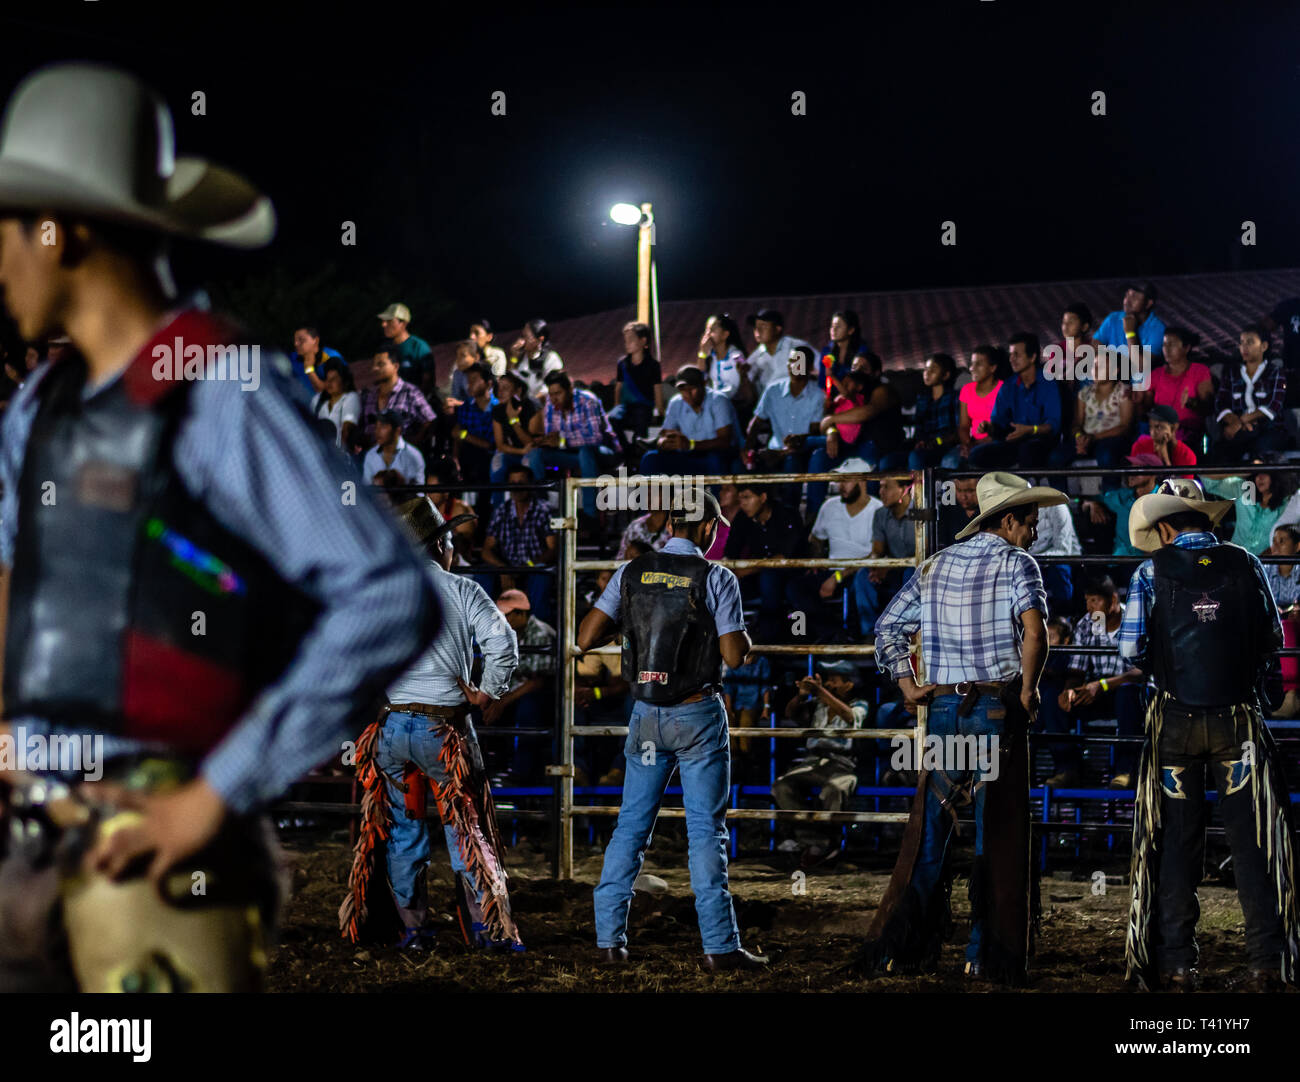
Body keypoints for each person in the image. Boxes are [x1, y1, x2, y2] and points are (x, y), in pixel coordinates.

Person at [0, 62, 438, 992]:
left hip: (161, 840)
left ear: (61, 228)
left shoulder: (220, 386)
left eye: (7, 230)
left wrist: (212, 795)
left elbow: (385, 593)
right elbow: (13, 577)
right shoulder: (36, 407)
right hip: (30, 835)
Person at [858, 471, 1064, 984]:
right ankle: (984, 955)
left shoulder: (936, 564)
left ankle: (901, 950)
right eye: (1031, 522)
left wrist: (907, 685)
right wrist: (1028, 691)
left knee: (932, 830)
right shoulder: (1019, 563)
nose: (1034, 532)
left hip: (947, 709)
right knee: (998, 831)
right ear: (1010, 520)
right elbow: (1036, 633)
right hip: (996, 705)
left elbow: (888, 627)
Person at [1119, 478, 1299, 992]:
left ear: (1166, 525)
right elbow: (1272, 637)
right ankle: (1266, 962)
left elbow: (1130, 653)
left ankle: (1176, 963)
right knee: (1254, 842)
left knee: (1176, 841)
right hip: (1237, 720)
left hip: (1174, 720)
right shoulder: (1246, 564)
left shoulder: (1149, 573)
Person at [579, 493, 768, 971]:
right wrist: (746, 639)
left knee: (631, 826)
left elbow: (584, 639)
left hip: (645, 714)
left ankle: (608, 939)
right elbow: (732, 655)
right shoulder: (715, 576)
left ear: (670, 524)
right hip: (696, 713)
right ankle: (719, 947)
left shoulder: (632, 571)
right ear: (706, 527)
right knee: (706, 831)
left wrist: (630, 631)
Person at [341, 497, 523, 952]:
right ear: (441, 544)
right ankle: (487, 931)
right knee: (466, 825)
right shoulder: (464, 591)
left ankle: (413, 931)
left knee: (404, 830)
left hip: (392, 727)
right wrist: (486, 691)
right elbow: (503, 646)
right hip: (445, 731)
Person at [1039, 576, 1146, 787]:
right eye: (1087, 601)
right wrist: (1069, 690)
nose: (1089, 607)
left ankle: (1125, 770)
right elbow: (1077, 668)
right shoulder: (1087, 624)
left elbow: (1141, 672)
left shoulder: (1132, 619)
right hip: (1094, 691)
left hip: (1124, 693)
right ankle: (1067, 768)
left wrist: (1103, 685)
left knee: (1128, 693)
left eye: (1095, 601)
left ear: (1113, 600)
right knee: (1052, 695)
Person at [771, 661, 870, 866]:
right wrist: (801, 695)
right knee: (782, 785)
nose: (829, 684)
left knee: (835, 789)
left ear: (849, 685)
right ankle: (817, 842)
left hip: (843, 764)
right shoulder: (818, 705)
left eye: (834, 681)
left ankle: (827, 844)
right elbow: (790, 713)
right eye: (827, 682)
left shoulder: (860, 704)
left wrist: (821, 691)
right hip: (812, 762)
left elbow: (850, 717)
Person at [785, 459, 883, 640]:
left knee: (860, 584)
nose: (840, 486)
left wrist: (838, 577)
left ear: (862, 481)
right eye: (839, 481)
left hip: (859, 571)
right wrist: (817, 559)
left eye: (846, 480)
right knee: (795, 587)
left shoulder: (877, 509)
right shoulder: (829, 506)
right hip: (831, 569)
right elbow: (816, 538)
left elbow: (876, 552)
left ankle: (860, 637)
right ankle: (834, 634)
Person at [525, 370, 618, 523]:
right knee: (536, 455)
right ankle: (542, 509)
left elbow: (595, 438)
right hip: (571, 454)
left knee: (585, 452)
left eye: (558, 393)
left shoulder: (587, 401)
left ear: (569, 390)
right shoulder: (550, 404)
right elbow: (553, 435)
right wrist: (545, 441)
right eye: (551, 394)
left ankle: (591, 514)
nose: (554, 398)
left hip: (603, 451)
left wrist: (562, 441)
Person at [723, 480, 808, 643]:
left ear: (762, 497)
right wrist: (728, 569)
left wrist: (745, 570)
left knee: (770, 577)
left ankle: (768, 639)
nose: (743, 503)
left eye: (747, 498)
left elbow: (783, 557)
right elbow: (730, 552)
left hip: (792, 574)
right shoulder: (742, 518)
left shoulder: (786, 514)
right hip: (757, 575)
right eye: (740, 499)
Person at [488, 589, 557, 783]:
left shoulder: (540, 633)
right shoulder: (501, 633)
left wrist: (502, 702)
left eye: (506, 615)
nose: (501, 619)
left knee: (530, 708)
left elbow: (539, 682)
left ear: (522, 614)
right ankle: (485, 767)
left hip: (537, 695)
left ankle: (520, 771)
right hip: (510, 692)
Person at [746, 343, 826, 502]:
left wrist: (783, 452)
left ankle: (790, 515)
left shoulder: (818, 395)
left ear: (809, 367)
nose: (794, 365)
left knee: (792, 463)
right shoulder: (773, 390)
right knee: (750, 466)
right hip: (772, 451)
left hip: (802, 453)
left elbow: (814, 433)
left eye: (800, 362)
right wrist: (747, 450)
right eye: (791, 361)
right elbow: (756, 423)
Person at [969, 333, 1061, 469]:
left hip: (1040, 440)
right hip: (1015, 440)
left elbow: (1053, 424)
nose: (1011, 359)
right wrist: (989, 427)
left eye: (1017, 355)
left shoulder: (1048, 383)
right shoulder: (1008, 386)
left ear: (1032, 357)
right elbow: (999, 421)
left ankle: (1030, 489)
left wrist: (1031, 430)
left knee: (1028, 450)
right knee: (977, 455)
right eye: (1010, 354)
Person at [482, 462, 558, 624]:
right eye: (513, 483)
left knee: (541, 574)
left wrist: (527, 566)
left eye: (521, 483)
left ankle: (539, 631)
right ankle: (482, 629)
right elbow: (486, 550)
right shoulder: (501, 511)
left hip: (533, 567)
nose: (517, 488)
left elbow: (553, 549)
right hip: (507, 568)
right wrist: (503, 568)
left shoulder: (545, 510)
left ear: (530, 485)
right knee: (483, 574)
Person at [639, 365, 740, 479]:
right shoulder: (676, 402)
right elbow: (665, 433)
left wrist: (691, 444)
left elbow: (724, 441)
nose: (687, 394)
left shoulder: (718, 400)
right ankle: (652, 496)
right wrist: (664, 442)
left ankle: (715, 496)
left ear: (703, 384)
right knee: (651, 459)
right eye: (682, 390)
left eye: (692, 389)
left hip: (719, 455)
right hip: (689, 455)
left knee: (715, 460)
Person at [1214, 323, 1289, 463]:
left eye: (1250, 342)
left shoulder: (1275, 372)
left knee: (1261, 450)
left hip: (1270, 429)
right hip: (1239, 429)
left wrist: (1243, 421)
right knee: (1220, 451)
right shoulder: (1232, 373)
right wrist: (1235, 422)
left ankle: (1257, 484)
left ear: (1264, 346)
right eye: (1242, 342)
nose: (1244, 347)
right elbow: (1220, 402)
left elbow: (1274, 406)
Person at [856, 475, 916, 638]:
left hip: (915, 568)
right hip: (894, 568)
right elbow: (878, 549)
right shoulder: (881, 514)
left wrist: (888, 566)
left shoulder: (920, 510)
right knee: (863, 575)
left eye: (886, 487)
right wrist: (875, 566)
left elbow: (924, 552)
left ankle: (908, 633)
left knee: (911, 573)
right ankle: (871, 634)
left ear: (904, 490)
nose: (881, 492)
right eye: (880, 487)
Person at [1135, 327, 1213, 448]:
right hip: (1160, 430)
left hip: (1188, 431)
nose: (1166, 349)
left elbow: (1208, 408)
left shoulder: (1200, 371)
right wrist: (1139, 402)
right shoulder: (1156, 374)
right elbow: (1145, 413)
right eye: (1164, 345)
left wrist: (1191, 403)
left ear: (1186, 348)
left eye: (1172, 345)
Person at [1202, 457, 1297, 556]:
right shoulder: (1246, 490)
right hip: (1234, 559)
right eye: (1256, 473)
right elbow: (1207, 480)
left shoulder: (1288, 503)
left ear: (1277, 475)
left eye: (1264, 472)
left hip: (1266, 566)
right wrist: (1242, 470)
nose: (1259, 478)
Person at [1079, 454, 1160, 560]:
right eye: (1131, 468)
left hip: (1150, 563)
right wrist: (1092, 504)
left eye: (1137, 468)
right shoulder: (1121, 495)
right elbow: (1088, 500)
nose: (1131, 473)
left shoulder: (1163, 498)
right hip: (1119, 561)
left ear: (1153, 473)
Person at [1060, 352, 1133, 469]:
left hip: (1111, 439)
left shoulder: (1124, 392)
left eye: (1102, 366)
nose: (1096, 369)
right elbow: (1077, 424)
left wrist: (1094, 437)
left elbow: (1125, 427)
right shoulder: (1084, 393)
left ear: (1115, 371)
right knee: (1056, 457)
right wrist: (1080, 437)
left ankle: (1110, 487)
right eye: (1094, 365)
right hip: (1086, 439)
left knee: (1106, 455)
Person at [358, 345, 437, 451]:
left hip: (402, 457)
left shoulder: (410, 392)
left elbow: (430, 420)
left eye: (380, 364)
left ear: (395, 366)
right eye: (374, 365)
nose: (375, 368)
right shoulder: (369, 396)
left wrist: (414, 442)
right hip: (373, 458)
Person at [608, 321, 664, 453]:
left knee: (641, 423)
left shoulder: (653, 365)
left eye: (631, 340)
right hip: (625, 406)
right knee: (612, 418)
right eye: (625, 340)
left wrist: (661, 411)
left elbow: (657, 390)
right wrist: (616, 406)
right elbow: (618, 386)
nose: (627, 343)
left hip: (643, 406)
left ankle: (639, 452)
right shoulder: (622, 363)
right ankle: (625, 450)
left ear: (643, 341)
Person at [1092, 280, 1166, 378]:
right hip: (1111, 377)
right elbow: (1095, 344)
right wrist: (1117, 362)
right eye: (1127, 295)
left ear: (1148, 303)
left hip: (1138, 384)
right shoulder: (1113, 318)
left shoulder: (1158, 329)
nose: (1127, 301)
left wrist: (1130, 333)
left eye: (1134, 296)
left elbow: (1141, 367)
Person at [489, 369, 539, 503]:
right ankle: (498, 509)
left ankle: (536, 504)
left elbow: (532, 443)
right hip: (514, 451)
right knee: (497, 463)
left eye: (505, 388)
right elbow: (500, 445)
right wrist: (520, 451)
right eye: (499, 388)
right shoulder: (497, 410)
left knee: (531, 461)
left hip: (531, 452)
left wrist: (514, 421)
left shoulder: (531, 406)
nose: (500, 392)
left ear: (518, 391)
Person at [1267, 524, 1300, 718]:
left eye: (1282, 541)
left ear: (1297, 547)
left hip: (1295, 624)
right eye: (1274, 541)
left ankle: (1293, 694)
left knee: (1288, 624)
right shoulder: (1265, 568)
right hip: (1274, 625)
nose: (1275, 546)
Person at [909, 353, 962, 470]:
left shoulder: (955, 397)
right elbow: (919, 428)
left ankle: (920, 488)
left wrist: (936, 441)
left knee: (916, 457)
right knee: (888, 461)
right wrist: (921, 441)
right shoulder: (922, 399)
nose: (927, 373)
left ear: (946, 375)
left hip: (946, 446)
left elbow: (958, 431)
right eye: (926, 369)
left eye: (933, 370)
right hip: (925, 446)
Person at [450, 360, 498, 490]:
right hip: (469, 457)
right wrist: (455, 459)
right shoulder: (466, 407)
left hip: (491, 459)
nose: (469, 384)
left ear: (489, 384)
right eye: (468, 380)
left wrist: (464, 435)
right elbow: (457, 435)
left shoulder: (498, 408)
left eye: (474, 380)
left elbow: (490, 445)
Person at [955, 346, 1004, 467]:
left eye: (979, 364)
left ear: (993, 368)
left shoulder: (1003, 389)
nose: (972, 368)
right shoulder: (967, 390)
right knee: (950, 461)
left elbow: (1004, 428)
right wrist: (967, 444)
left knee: (977, 456)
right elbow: (964, 425)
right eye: (972, 364)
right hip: (972, 444)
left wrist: (976, 445)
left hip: (996, 441)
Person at [746, 308, 813, 395]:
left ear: (777, 329)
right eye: (756, 327)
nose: (758, 331)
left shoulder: (796, 347)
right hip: (769, 404)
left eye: (764, 326)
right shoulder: (755, 356)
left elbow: (819, 370)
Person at [378, 302, 436, 388]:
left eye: (389, 321)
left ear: (403, 323)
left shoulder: (419, 347)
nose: (384, 325)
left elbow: (428, 381)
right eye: (383, 321)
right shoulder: (385, 348)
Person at [363, 409, 426, 485]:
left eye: (383, 426)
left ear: (397, 430)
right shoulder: (371, 455)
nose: (377, 431)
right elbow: (366, 488)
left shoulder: (413, 455)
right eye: (376, 426)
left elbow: (418, 492)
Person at [313, 355, 361, 450]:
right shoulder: (317, 400)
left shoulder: (351, 398)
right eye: (327, 379)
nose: (329, 383)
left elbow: (346, 431)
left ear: (344, 381)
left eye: (334, 379)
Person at [821, 309, 871, 398]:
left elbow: (853, 390)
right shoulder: (827, 352)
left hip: (855, 398)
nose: (833, 330)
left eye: (838, 327)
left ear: (850, 330)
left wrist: (831, 376)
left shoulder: (861, 352)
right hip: (832, 399)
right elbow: (822, 382)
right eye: (832, 326)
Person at [1129, 404, 1195, 468]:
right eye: (1150, 427)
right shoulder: (1140, 446)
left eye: (1159, 427)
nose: (1152, 433)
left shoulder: (1187, 455)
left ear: (1174, 428)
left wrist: (1165, 458)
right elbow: (1133, 477)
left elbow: (1182, 479)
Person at [511, 318, 564, 400]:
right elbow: (511, 381)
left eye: (526, 337)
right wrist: (513, 358)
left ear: (540, 339)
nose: (522, 341)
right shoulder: (521, 358)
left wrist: (531, 403)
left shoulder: (551, 358)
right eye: (522, 336)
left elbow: (548, 389)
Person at [290, 324, 344, 397]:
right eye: (295, 340)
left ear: (315, 341)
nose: (296, 344)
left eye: (301, 340)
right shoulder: (294, 356)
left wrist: (309, 369)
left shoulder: (331, 358)